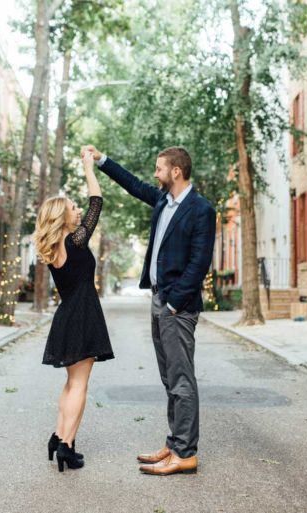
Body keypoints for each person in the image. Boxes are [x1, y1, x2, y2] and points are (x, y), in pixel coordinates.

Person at [81, 144, 216, 476]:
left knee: (182, 379)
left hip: (177, 307)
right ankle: (173, 444)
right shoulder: (162, 200)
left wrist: (172, 304)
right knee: (169, 378)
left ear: (176, 171)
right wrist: (102, 160)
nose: (154, 175)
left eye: (159, 169)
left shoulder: (201, 210)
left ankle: (185, 453)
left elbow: (199, 264)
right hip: (159, 301)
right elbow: (133, 184)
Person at [34, 151, 114, 473]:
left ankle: (58, 435)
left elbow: (89, 206)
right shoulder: (76, 241)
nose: (78, 209)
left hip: (67, 316)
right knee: (80, 385)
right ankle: (66, 445)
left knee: (71, 384)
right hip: (83, 317)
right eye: (72, 207)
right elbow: (97, 201)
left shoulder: (54, 248)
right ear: (62, 217)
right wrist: (87, 167)